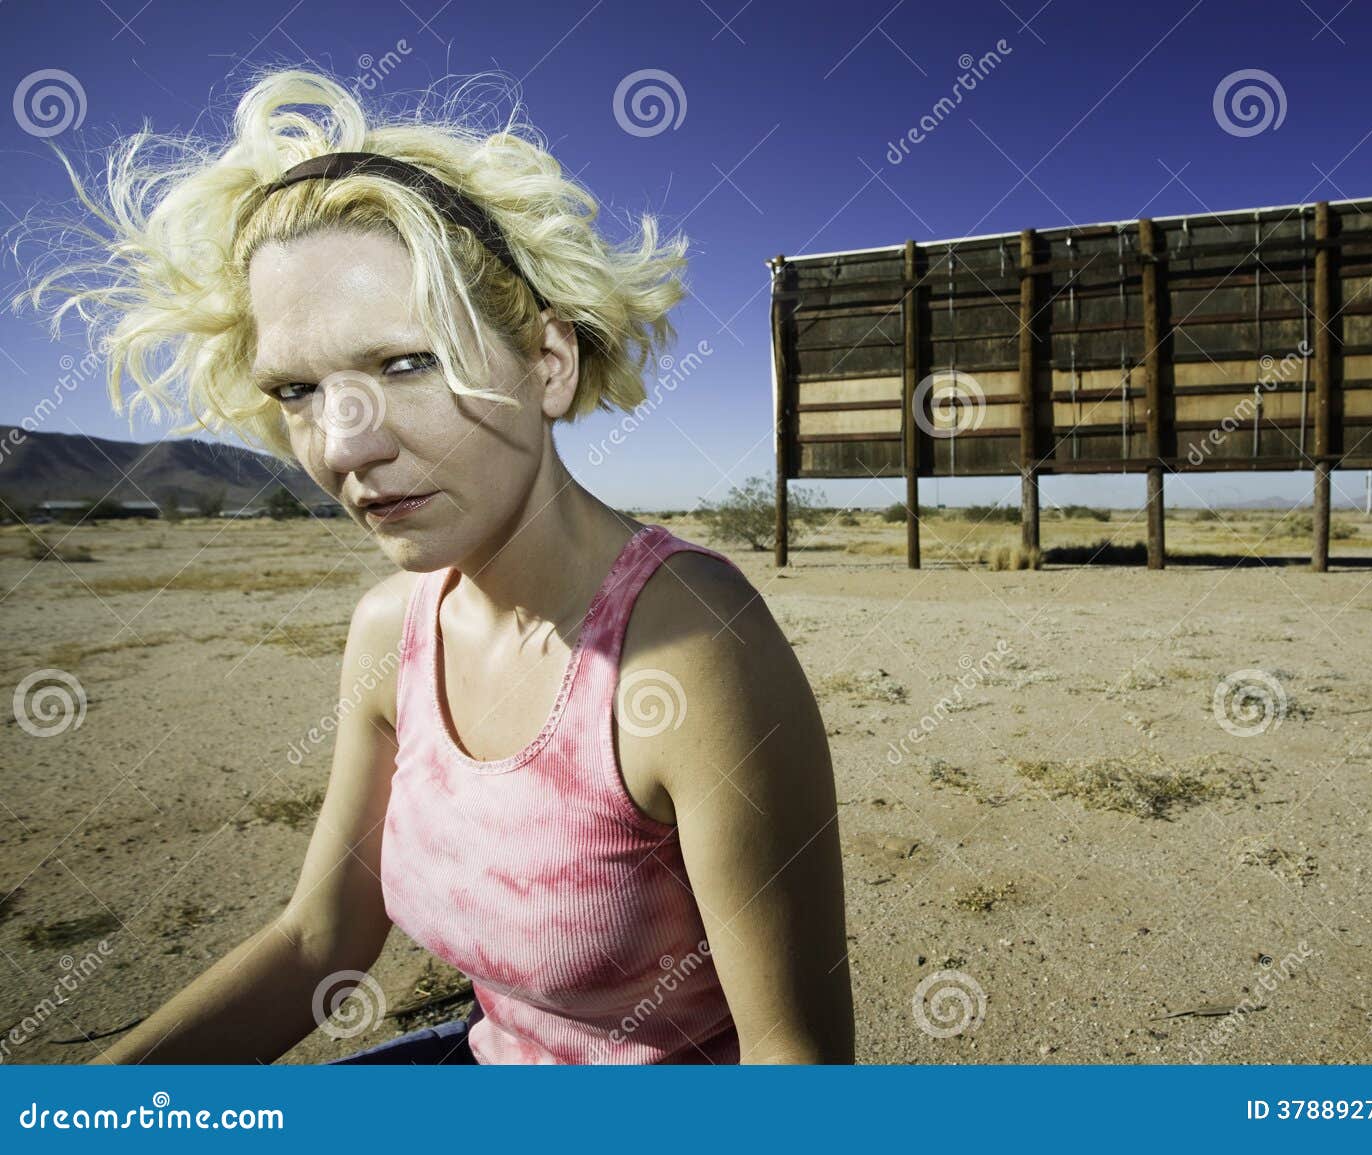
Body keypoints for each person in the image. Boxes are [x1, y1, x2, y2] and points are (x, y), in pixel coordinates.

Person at [10, 65, 853, 1065]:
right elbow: (321, 940)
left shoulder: (689, 650)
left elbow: (795, 1070)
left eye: (405, 364)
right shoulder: (389, 629)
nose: (342, 444)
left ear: (546, 363)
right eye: (298, 389)